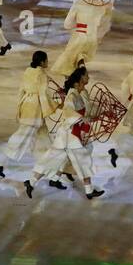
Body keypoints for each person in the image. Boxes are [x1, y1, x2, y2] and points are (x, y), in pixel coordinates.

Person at [24, 65, 105, 199]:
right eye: (86, 75)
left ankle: (31, 182)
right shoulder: (72, 95)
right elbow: (69, 112)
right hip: (71, 136)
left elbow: (85, 112)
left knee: (52, 158)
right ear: (79, 80)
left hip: (68, 134)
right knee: (82, 160)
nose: (88, 77)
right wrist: (83, 118)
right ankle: (89, 191)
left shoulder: (79, 94)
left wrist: (97, 115)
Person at [0, 51, 56, 178]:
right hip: (35, 110)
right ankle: (0, 162)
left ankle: (51, 170)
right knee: (21, 138)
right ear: (42, 62)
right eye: (47, 60)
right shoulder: (41, 74)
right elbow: (44, 94)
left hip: (27, 105)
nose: (48, 62)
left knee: (44, 140)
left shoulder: (28, 71)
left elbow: (21, 89)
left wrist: (19, 108)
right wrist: (56, 105)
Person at [50, 0, 109, 76]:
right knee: (79, 58)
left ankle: (72, 83)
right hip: (92, 38)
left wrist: (76, 23)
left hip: (79, 36)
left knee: (67, 67)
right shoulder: (101, 7)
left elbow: (67, 24)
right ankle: (81, 67)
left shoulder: (79, 2)